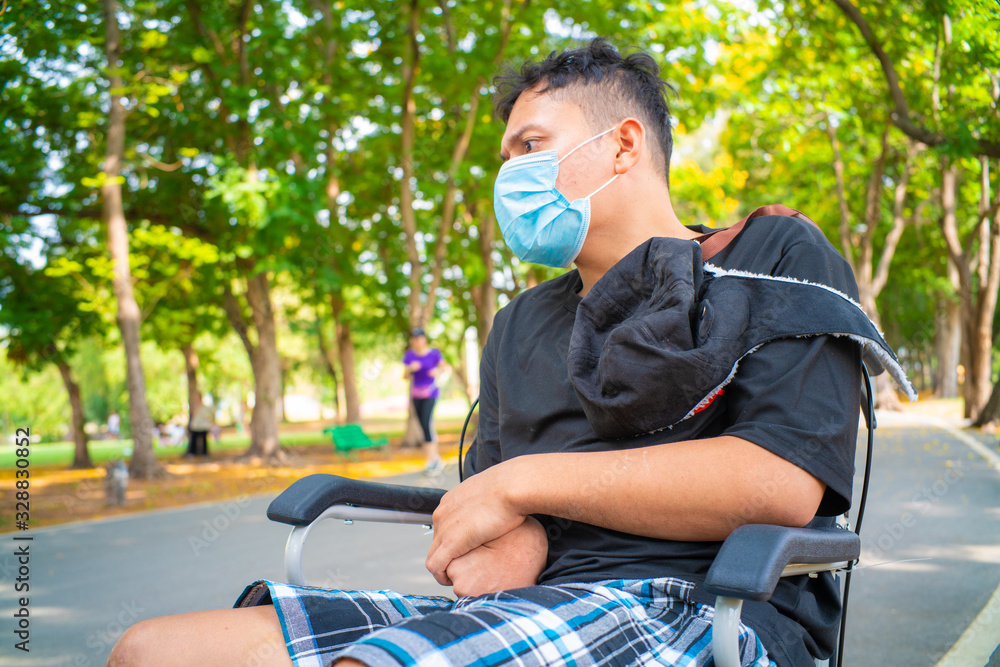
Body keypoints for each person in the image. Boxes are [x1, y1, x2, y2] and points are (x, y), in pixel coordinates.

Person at [108, 38, 912, 667]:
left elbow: (778, 484)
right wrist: (509, 533)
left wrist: (528, 482)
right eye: (505, 161)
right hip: (535, 608)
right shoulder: (520, 325)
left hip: (712, 609)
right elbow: (493, 512)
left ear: (624, 145)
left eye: (531, 146)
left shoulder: (774, 253)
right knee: (153, 650)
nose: (510, 178)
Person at [402, 327, 448, 474]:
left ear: (424, 339)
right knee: (423, 425)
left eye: (418, 338)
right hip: (417, 394)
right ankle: (435, 459)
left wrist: (437, 371)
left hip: (431, 392)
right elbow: (404, 376)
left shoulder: (434, 353)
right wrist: (410, 369)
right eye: (413, 339)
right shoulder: (409, 355)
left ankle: (432, 460)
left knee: (427, 423)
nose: (416, 341)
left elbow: (445, 368)